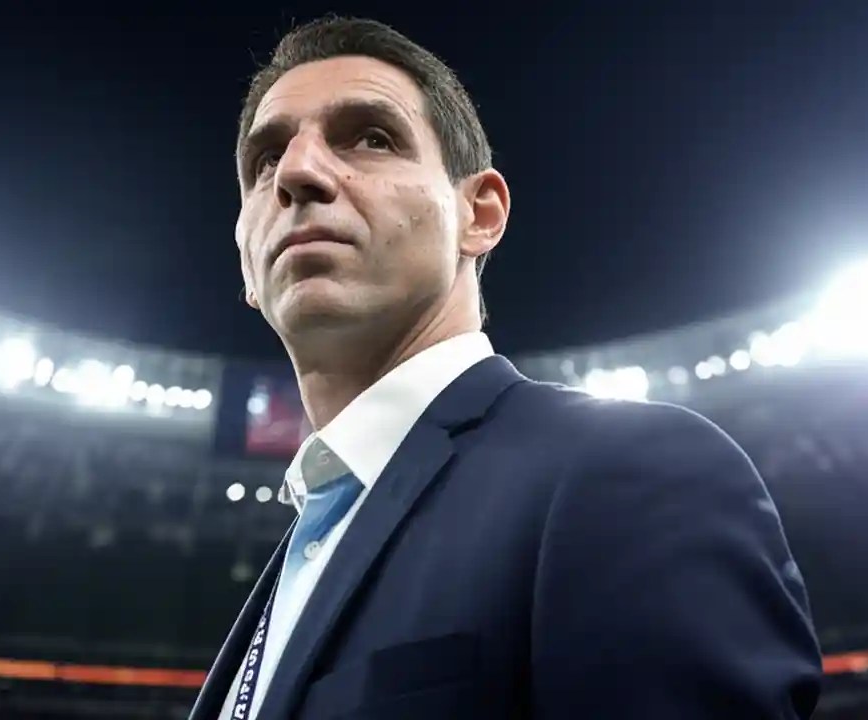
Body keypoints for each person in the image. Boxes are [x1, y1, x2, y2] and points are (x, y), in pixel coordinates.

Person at [189, 15, 821, 720]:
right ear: (246, 263)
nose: (296, 173)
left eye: (371, 137)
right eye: (265, 159)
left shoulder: (628, 470)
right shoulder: (299, 558)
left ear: (479, 214)